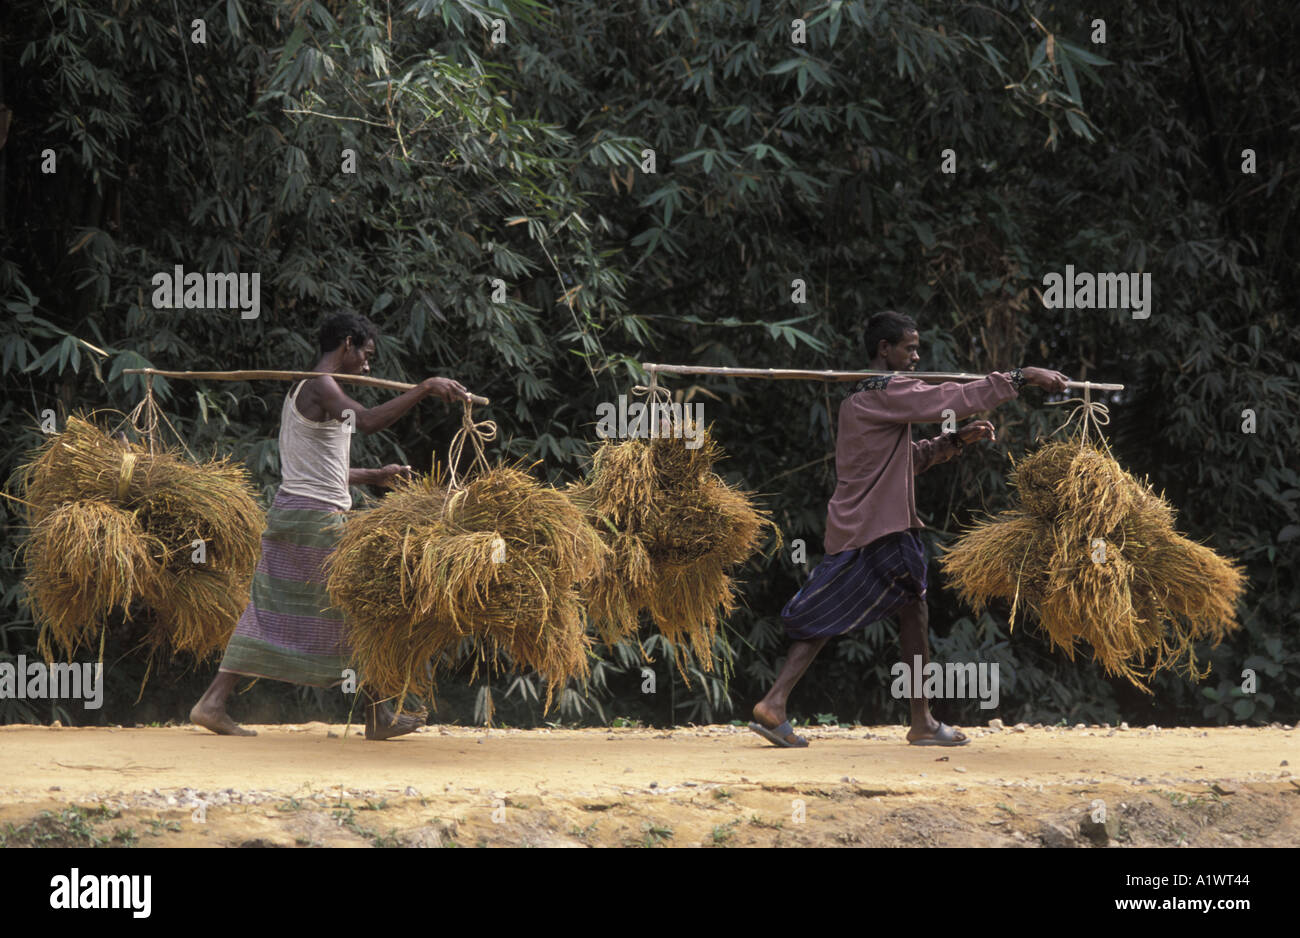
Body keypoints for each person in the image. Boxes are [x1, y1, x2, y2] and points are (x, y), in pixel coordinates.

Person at [749, 310, 1068, 748]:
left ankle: (907, 718)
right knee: (869, 612)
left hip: (866, 524)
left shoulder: (860, 399)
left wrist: (952, 442)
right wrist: (1021, 376)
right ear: (885, 350)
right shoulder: (887, 390)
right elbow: (951, 399)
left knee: (887, 609)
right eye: (909, 348)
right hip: (879, 527)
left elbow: (901, 462)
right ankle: (786, 703)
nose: (917, 356)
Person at [190, 311, 467, 739]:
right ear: (347, 345)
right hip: (313, 521)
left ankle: (215, 702)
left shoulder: (309, 388)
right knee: (363, 602)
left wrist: (374, 475)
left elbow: (315, 468)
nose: (368, 366)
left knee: (285, 609)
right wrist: (426, 388)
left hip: (299, 513)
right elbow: (369, 421)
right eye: (366, 355)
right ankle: (377, 715)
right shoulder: (321, 386)